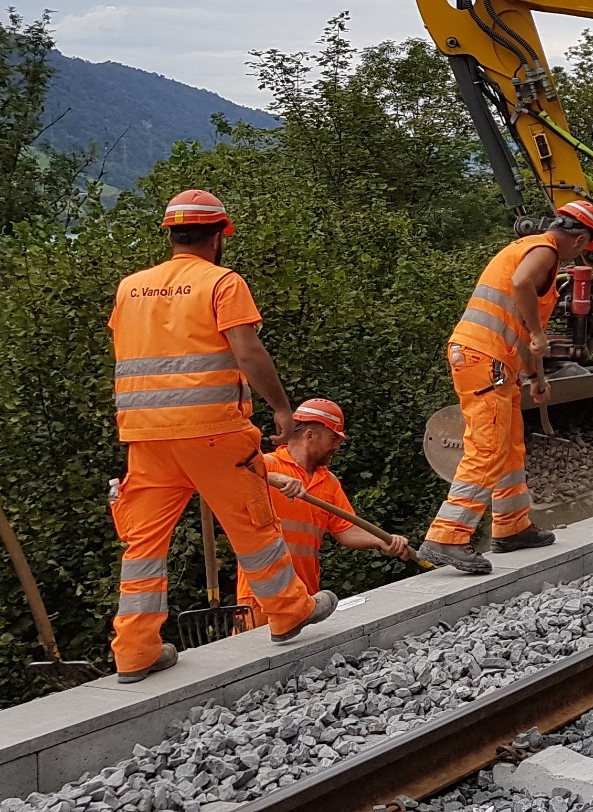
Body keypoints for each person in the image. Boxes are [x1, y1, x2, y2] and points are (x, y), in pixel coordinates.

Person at [107, 189, 336, 682]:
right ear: (217, 237)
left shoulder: (130, 288)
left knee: (143, 545)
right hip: (213, 431)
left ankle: (134, 651)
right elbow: (248, 352)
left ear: (171, 235)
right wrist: (282, 409)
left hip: (145, 437)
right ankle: (288, 610)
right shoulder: (222, 283)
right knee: (254, 526)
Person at [417, 200, 593, 574]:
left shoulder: (526, 249)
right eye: (584, 249)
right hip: (485, 360)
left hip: (491, 361)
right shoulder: (545, 250)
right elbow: (522, 292)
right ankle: (446, 537)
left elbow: (519, 333)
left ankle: (512, 526)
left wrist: (536, 378)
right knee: (487, 448)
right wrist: (538, 333)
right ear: (580, 239)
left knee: (509, 446)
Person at [236, 399, 409, 625]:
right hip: (260, 597)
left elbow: (346, 529)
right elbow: (229, 477)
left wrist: (381, 540)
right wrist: (275, 478)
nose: (337, 446)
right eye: (333, 438)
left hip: (305, 597)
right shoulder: (266, 465)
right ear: (310, 435)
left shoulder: (329, 482)